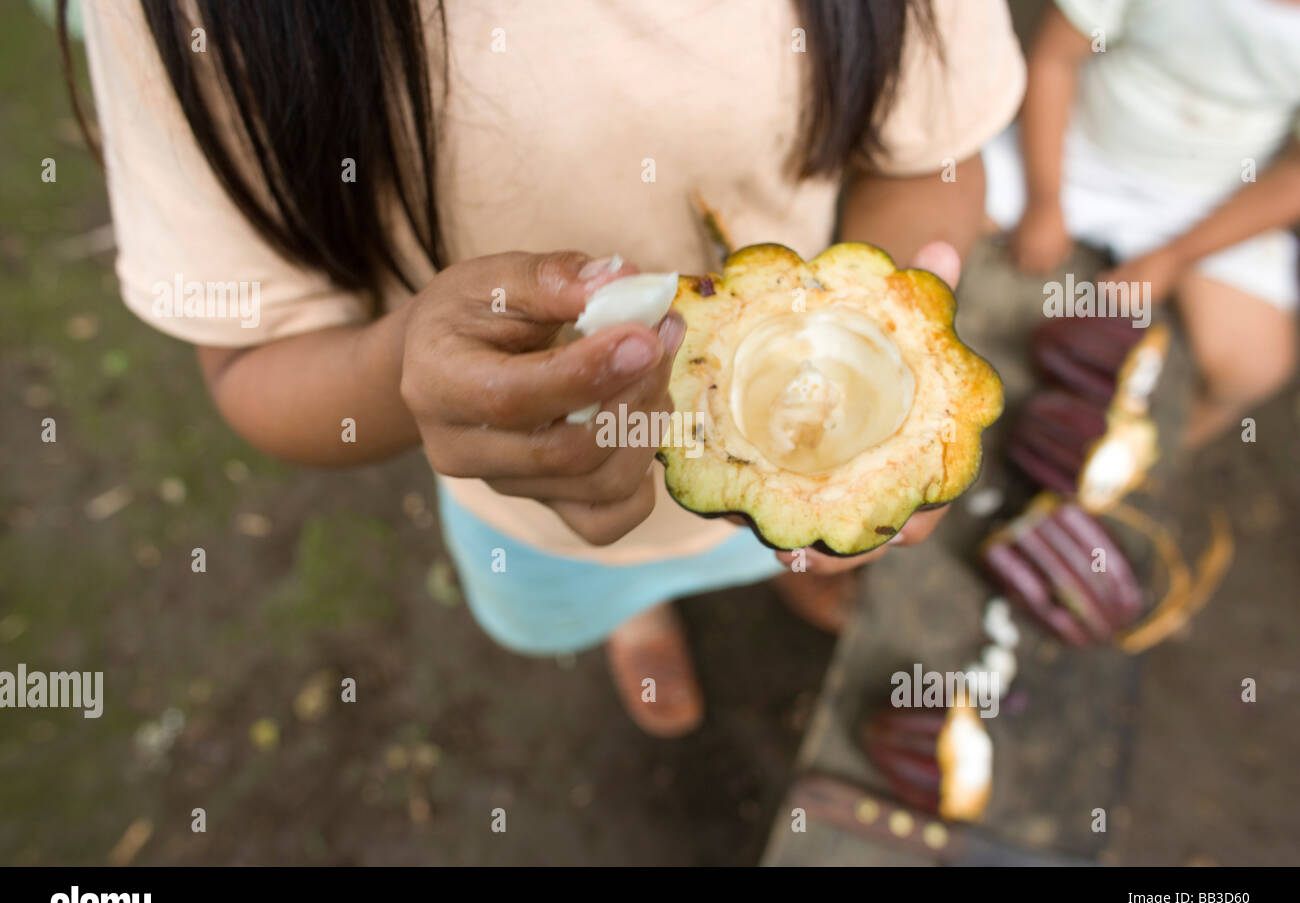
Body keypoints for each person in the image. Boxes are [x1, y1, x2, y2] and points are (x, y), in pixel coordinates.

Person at [72, 0, 1025, 736]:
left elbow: (930, 158)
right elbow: (254, 362)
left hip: (806, 452)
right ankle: (633, 625)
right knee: (599, 585)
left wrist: (894, 354)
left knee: (764, 540)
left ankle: (762, 568)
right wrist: (405, 365)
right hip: (530, 521)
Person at [986, 0, 1300, 447]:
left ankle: (1135, 468)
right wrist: (1044, 200)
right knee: (940, 215)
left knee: (1252, 369)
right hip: (1077, 150)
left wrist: (1177, 254)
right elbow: (1055, 58)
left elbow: (1294, 176)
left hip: (1212, 199)